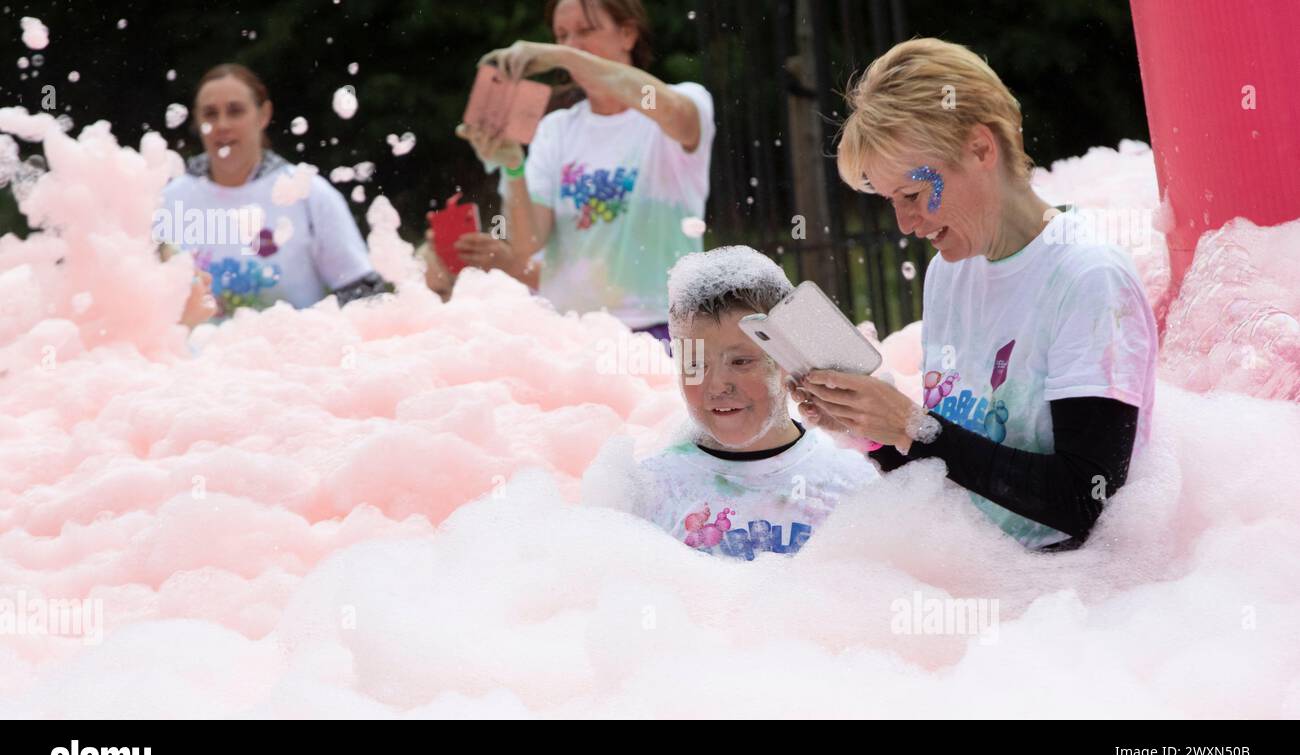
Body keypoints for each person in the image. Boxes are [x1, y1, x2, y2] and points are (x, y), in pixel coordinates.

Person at [792, 38, 1159, 551]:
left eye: (914, 195)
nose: (904, 223)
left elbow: (1085, 504)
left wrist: (911, 425)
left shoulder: (1087, 277)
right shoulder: (950, 273)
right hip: (982, 573)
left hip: (1071, 598)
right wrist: (872, 428)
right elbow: (959, 468)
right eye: (892, 202)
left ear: (981, 148)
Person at [456, 0, 715, 340]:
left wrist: (565, 56)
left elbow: (668, 109)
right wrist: (512, 167)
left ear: (627, 34)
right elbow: (526, 244)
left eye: (585, 31)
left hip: (661, 327)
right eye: (561, 35)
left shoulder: (682, 101)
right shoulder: (556, 129)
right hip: (572, 333)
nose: (570, 44)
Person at [629, 246, 879, 560]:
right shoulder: (649, 491)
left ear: (789, 359)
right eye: (694, 364)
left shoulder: (849, 483)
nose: (717, 384)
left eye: (741, 361)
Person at [164, 64, 389, 324]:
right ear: (197, 121)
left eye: (235, 111)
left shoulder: (308, 193)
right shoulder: (168, 200)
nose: (222, 125)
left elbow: (364, 295)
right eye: (210, 114)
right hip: (194, 362)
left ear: (264, 115)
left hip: (294, 358)